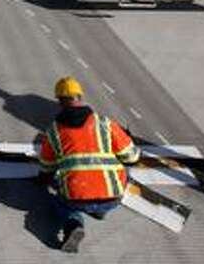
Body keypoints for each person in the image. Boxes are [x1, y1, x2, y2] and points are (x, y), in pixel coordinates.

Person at [35, 76, 140, 252]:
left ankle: (74, 224)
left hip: (76, 198)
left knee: (59, 203)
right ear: (80, 97)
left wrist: (41, 180)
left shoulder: (54, 131)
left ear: (60, 101)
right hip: (112, 198)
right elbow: (132, 157)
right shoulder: (105, 123)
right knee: (123, 170)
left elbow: (47, 166)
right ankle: (100, 211)